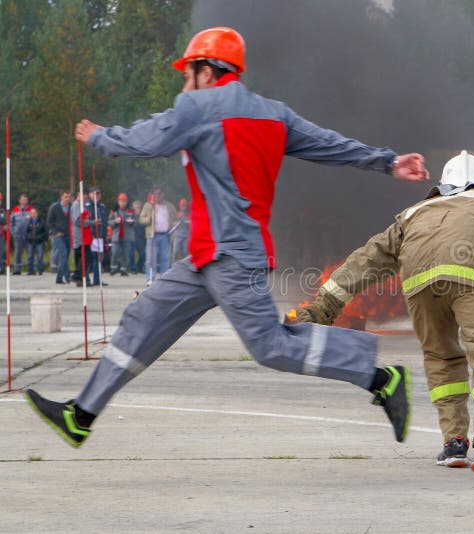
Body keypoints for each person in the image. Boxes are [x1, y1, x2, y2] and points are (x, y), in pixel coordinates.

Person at [25, 26, 429, 450]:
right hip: (207, 257)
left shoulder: (194, 108)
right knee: (143, 318)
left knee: (270, 346)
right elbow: (329, 144)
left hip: (232, 257)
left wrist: (99, 137)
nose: (185, 83)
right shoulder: (275, 113)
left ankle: (378, 375)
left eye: (188, 73)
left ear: (207, 69)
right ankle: (82, 414)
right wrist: (387, 162)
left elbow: (145, 140)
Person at [288, 151, 474, 479]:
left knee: (442, 358)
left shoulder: (414, 212)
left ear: (442, 185)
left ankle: (454, 442)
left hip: (419, 285)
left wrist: (321, 309)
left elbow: (365, 260)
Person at [138, 187, 176, 285]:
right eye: (155, 194)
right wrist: (149, 219)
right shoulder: (149, 205)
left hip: (166, 235)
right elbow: (141, 219)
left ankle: (164, 279)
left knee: (165, 259)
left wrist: (175, 225)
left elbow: (174, 219)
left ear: (163, 194)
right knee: (151, 259)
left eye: (159, 193)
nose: (157, 196)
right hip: (152, 235)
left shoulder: (170, 206)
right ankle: (150, 278)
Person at [48, 191, 73, 284]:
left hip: (68, 234)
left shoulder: (71, 207)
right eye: (66, 197)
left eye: (69, 197)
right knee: (63, 253)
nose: (67, 199)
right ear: (61, 197)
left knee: (65, 256)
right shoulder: (55, 207)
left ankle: (59, 278)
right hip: (58, 235)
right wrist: (55, 232)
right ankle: (67, 276)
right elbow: (49, 221)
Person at [109, 193, 136, 276]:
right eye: (121, 201)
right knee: (115, 252)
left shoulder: (131, 211)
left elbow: (136, 221)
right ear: (118, 201)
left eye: (124, 201)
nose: (122, 203)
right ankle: (113, 267)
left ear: (126, 201)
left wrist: (132, 222)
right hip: (116, 235)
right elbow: (109, 222)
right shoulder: (114, 211)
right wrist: (114, 222)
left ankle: (123, 269)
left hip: (127, 235)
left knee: (126, 253)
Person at [71, 191, 93, 286]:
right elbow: (78, 221)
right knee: (86, 256)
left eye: (86, 197)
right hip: (80, 236)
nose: (85, 199)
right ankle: (77, 275)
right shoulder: (76, 205)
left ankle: (81, 279)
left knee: (82, 257)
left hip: (85, 235)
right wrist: (91, 222)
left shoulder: (82, 206)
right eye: (83, 197)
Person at [9, 194, 33, 275]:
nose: (24, 201)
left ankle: (31, 269)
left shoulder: (31, 209)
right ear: (19, 201)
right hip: (18, 235)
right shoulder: (15, 210)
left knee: (30, 252)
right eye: (22, 200)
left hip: (28, 235)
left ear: (27, 201)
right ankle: (17, 269)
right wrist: (13, 232)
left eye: (25, 200)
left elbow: (35, 221)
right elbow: (11, 222)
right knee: (18, 253)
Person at [25, 208, 48, 275]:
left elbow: (46, 231)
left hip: (39, 242)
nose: (33, 214)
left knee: (40, 256)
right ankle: (31, 270)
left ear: (37, 213)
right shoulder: (29, 221)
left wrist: (41, 238)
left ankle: (40, 270)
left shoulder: (42, 221)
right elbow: (26, 231)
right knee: (30, 256)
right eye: (32, 213)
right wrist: (28, 237)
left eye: (34, 213)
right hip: (30, 242)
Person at [171, 198, 190, 265]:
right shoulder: (177, 214)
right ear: (179, 206)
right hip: (177, 236)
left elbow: (191, 224)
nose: (183, 207)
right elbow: (173, 223)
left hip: (186, 236)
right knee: (175, 252)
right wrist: (177, 220)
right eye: (182, 205)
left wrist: (187, 220)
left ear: (186, 206)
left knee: (185, 252)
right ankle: (174, 266)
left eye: (184, 205)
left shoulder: (189, 215)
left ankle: (186, 267)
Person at [131, 200, 146, 274]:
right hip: (132, 237)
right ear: (133, 208)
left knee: (143, 254)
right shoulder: (130, 216)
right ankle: (133, 269)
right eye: (136, 208)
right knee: (131, 254)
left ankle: (140, 267)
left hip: (141, 238)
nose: (137, 209)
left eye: (139, 208)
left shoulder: (143, 216)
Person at [0, 192, 7, 272]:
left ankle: (1, 268)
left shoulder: (2, 210)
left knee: (1, 251)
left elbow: (4, 220)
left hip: (1, 234)